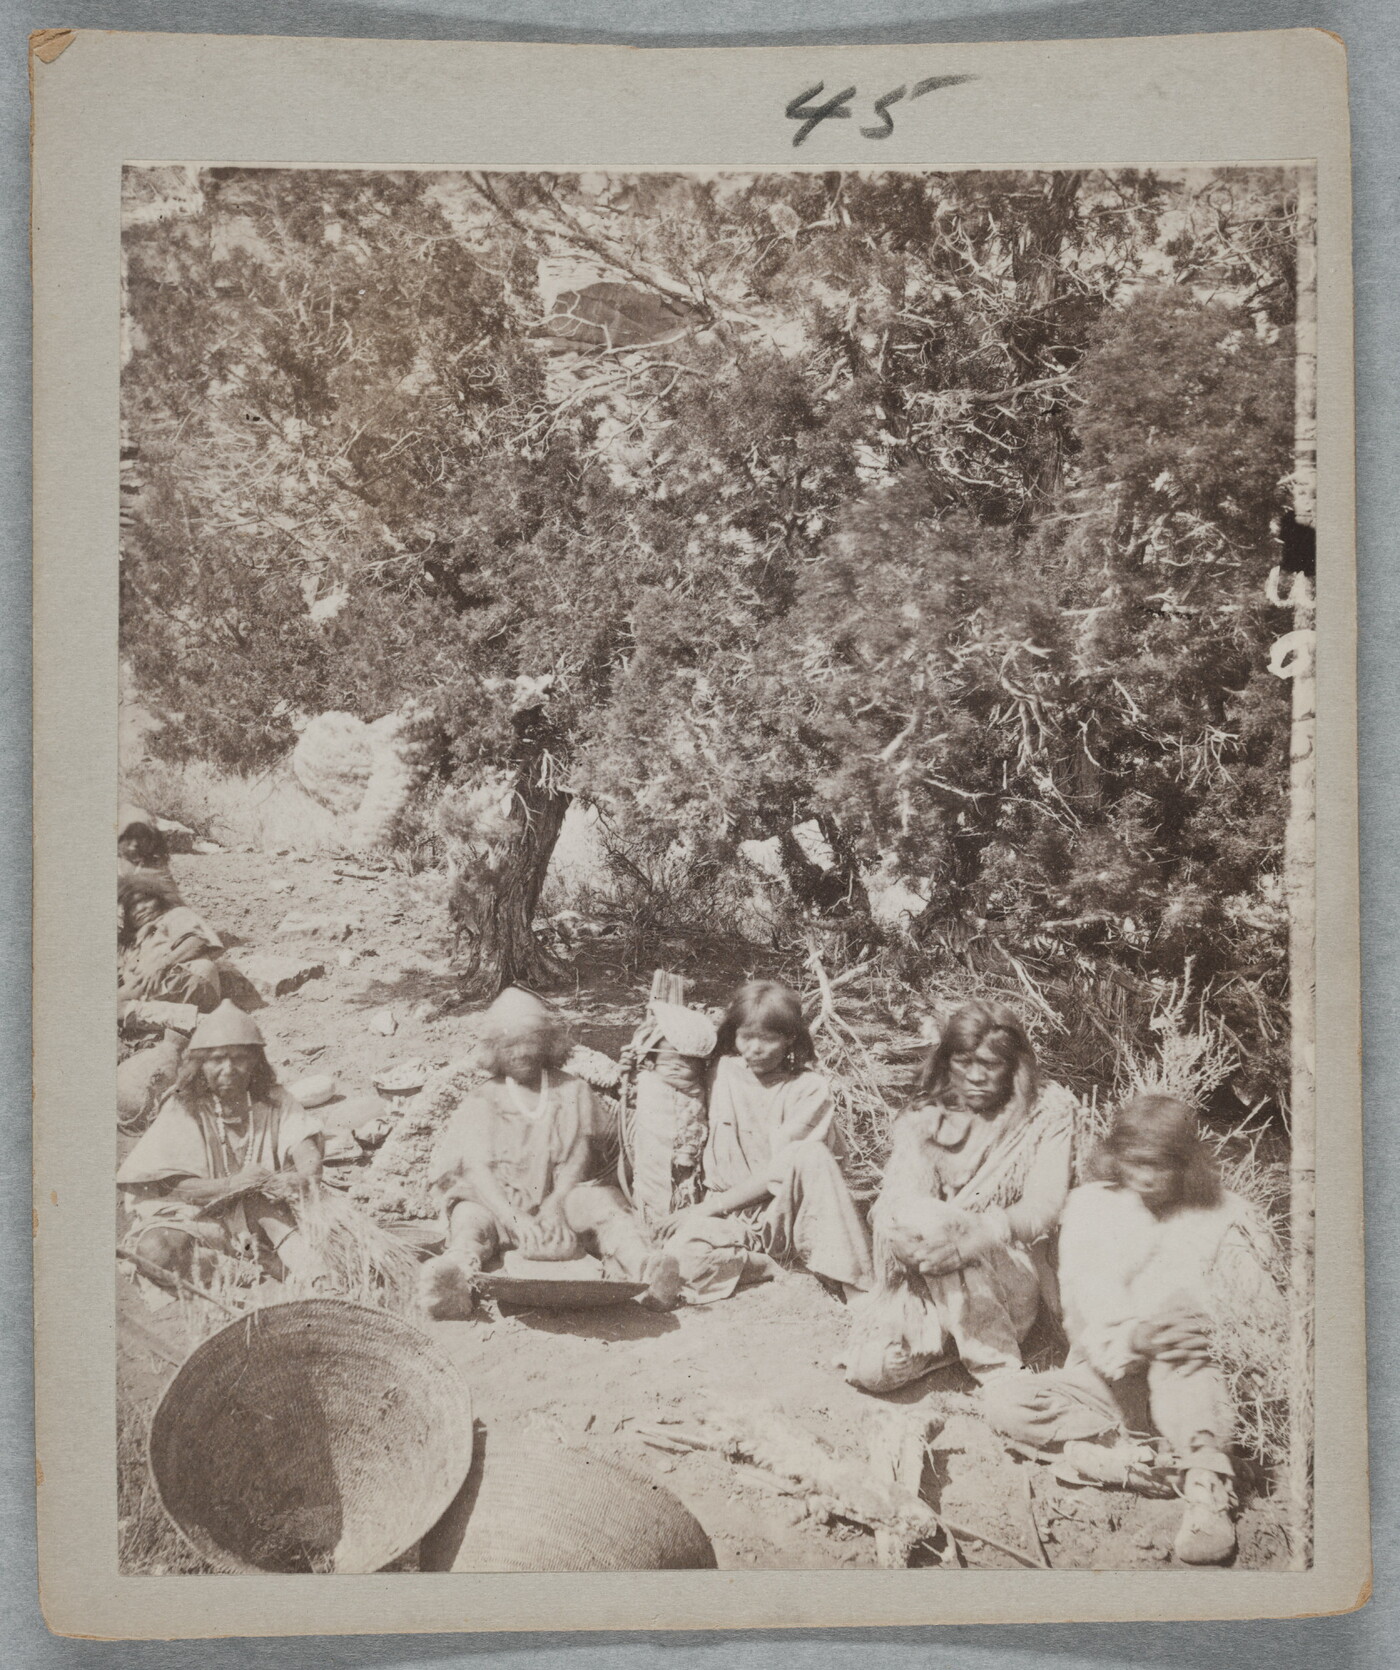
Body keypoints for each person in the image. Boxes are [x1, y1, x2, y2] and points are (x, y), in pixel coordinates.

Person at [981, 1092, 1283, 1565]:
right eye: (1134, 1162)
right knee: (1008, 1403)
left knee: (1184, 1361)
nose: (1145, 1176)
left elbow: (1265, 1324)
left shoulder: (1231, 1217)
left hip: (1199, 1380)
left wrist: (1202, 1331)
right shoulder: (1090, 1208)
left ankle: (1205, 1492)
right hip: (1115, 1381)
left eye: (1160, 1164)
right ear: (1116, 1157)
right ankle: (1146, 1463)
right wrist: (1138, 1338)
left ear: (1186, 1162)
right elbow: (1086, 1319)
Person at [845, 1000, 1074, 1393]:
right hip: (931, 1272)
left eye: (991, 1064)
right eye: (964, 1062)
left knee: (938, 1223)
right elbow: (897, 1202)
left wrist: (976, 1235)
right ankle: (953, 1345)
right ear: (947, 1061)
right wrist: (902, 1243)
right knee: (873, 1370)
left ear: (1014, 1067)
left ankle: (999, 1370)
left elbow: (1044, 1206)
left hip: (1005, 1274)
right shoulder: (926, 1115)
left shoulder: (1045, 1111)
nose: (976, 1076)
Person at [418, 987, 682, 1319]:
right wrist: (513, 1218)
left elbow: (578, 1158)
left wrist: (555, 1204)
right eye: (509, 1045)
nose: (520, 1053)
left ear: (548, 1042)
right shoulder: (483, 1099)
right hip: (498, 1208)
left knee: (604, 1206)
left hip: (561, 1205)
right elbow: (477, 1171)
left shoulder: (573, 1090)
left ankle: (647, 1270)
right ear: (494, 1050)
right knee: (469, 1220)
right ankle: (456, 1277)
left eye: (529, 1041)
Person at [661, 981, 874, 1303]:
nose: (755, 1049)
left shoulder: (808, 1088)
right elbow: (668, 1074)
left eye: (768, 1038)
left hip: (781, 1215)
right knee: (680, 1255)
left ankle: (859, 1288)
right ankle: (762, 1265)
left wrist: (706, 1209)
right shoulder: (721, 1071)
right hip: (727, 1218)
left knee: (811, 1153)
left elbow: (780, 1172)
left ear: (790, 1038)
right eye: (746, 1036)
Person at [117, 1001, 325, 1284]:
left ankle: (298, 1271)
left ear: (255, 1062)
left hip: (263, 1214)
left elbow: (305, 1144)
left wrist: (305, 1176)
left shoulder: (273, 1099)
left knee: (319, 1242)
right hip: (199, 1216)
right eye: (217, 1059)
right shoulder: (184, 1106)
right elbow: (160, 1182)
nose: (229, 1069)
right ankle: (245, 1269)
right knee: (155, 1252)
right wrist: (230, 1186)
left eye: (239, 1058)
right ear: (200, 1064)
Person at [118, 869, 224, 1012]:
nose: (140, 908)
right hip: (159, 993)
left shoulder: (174, 915)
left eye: (145, 900)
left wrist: (161, 965)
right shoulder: (135, 941)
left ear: (159, 899)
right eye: (132, 907)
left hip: (187, 979)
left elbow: (195, 941)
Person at [118, 804, 170, 877]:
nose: (135, 843)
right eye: (130, 837)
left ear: (150, 840)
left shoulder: (156, 865)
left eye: (140, 837)